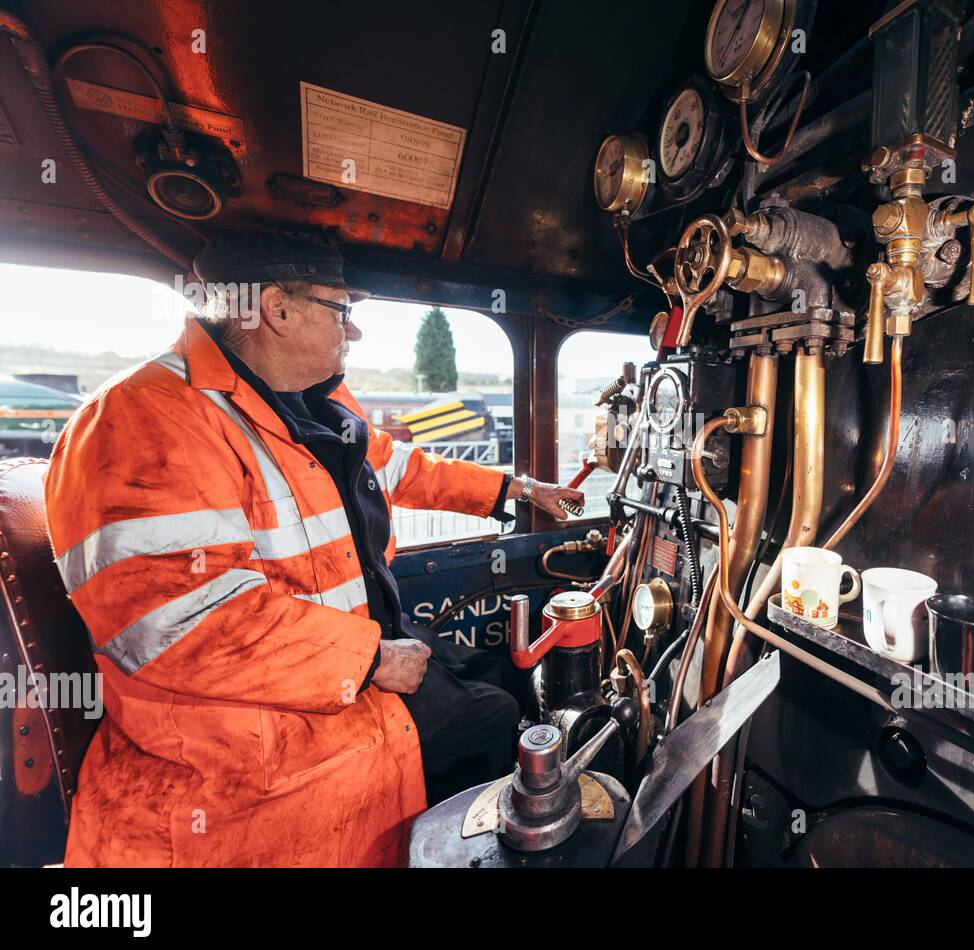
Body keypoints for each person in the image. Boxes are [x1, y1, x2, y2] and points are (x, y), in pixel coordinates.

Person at [44, 234, 582, 866]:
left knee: (502, 676)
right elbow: (185, 625)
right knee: (494, 716)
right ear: (276, 308)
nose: (351, 334)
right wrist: (372, 659)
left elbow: (396, 467)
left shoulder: (313, 398)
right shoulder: (144, 419)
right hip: (249, 723)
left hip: (347, 650)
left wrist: (516, 488)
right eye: (341, 310)